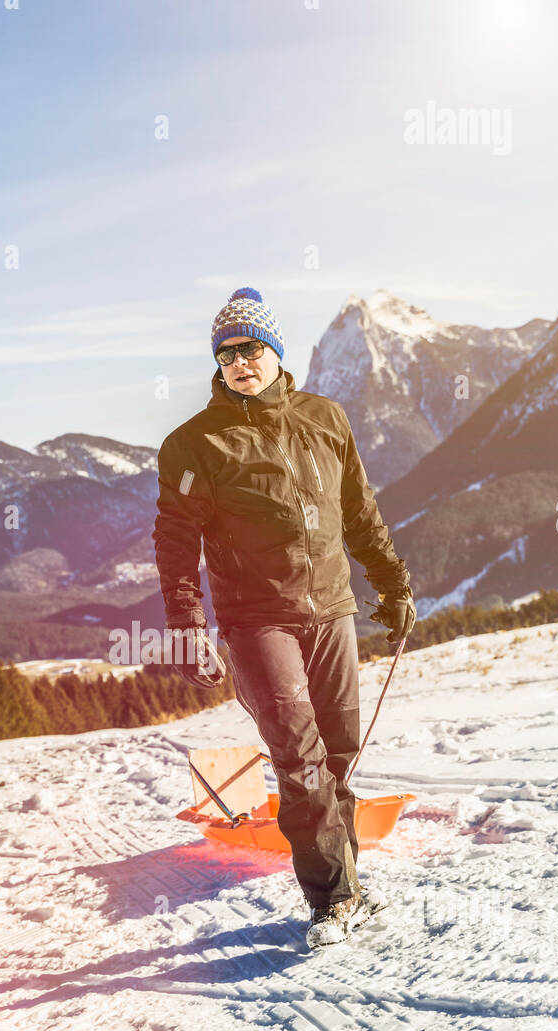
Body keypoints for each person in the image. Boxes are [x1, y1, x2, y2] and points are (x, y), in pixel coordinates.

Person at [152, 288, 416, 948]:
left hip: (331, 609)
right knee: (300, 761)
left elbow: (359, 512)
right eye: (228, 353)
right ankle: (332, 900)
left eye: (252, 347)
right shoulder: (194, 444)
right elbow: (177, 544)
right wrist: (188, 628)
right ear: (219, 364)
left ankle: (346, 879)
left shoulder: (326, 418)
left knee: (340, 752)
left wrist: (394, 585)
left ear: (275, 352)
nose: (241, 361)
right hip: (257, 621)